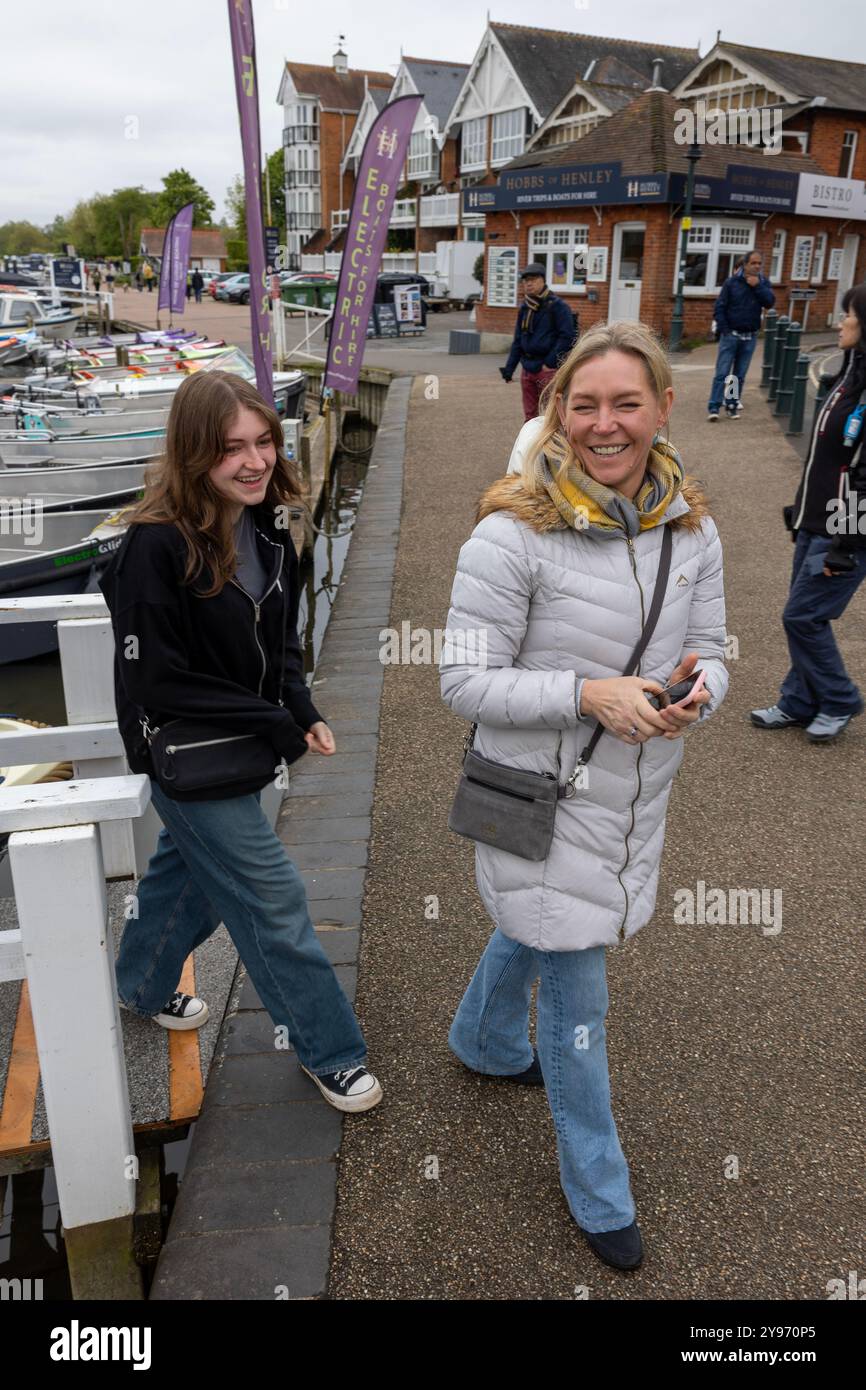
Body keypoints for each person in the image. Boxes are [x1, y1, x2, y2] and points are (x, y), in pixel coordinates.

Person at [440, 320, 728, 1271]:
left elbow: (716, 650)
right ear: (559, 408)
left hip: (635, 794)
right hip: (540, 792)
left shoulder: (694, 527)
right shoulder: (509, 534)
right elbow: (462, 683)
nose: (606, 425)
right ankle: (599, 1189)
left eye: (627, 403)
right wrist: (587, 693)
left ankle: (482, 1037)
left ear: (663, 408)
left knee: (547, 920)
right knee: (578, 986)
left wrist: (698, 693)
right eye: (585, 403)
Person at [97, 370, 382, 1114]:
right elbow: (159, 681)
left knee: (186, 876)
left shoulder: (267, 526)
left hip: (245, 742)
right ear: (194, 453)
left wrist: (300, 705)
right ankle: (331, 1051)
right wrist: (272, 724)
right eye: (232, 449)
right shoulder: (152, 549)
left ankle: (141, 983)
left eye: (263, 442)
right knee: (271, 898)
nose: (254, 461)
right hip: (187, 754)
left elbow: (280, 641)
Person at [751, 284, 866, 743]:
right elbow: (826, 455)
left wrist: (845, 543)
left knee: (803, 617)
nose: (841, 323)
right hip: (815, 523)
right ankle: (799, 702)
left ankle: (839, 698)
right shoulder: (848, 374)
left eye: (849, 316)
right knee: (802, 617)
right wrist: (800, 510)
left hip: (843, 532)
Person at [501, 262, 576, 423]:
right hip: (527, 369)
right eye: (525, 280)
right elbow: (518, 340)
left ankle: (556, 446)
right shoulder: (526, 307)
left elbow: (567, 336)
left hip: (547, 369)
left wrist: (549, 363)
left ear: (543, 280)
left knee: (553, 414)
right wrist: (509, 369)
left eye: (533, 279)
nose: (528, 283)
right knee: (530, 417)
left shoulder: (558, 306)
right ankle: (532, 446)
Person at [707, 249, 775, 421]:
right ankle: (714, 407)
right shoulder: (731, 283)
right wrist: (725, 330)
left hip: (749, 336)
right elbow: (720, 307)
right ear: (745, 264)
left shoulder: (763, 283)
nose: (757, 266)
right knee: (722, 373)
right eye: (753, 263)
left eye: (759, 263)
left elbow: (769, 302)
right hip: (731, 335)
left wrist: (757, 286)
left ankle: (731, 405)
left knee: (738, 376)